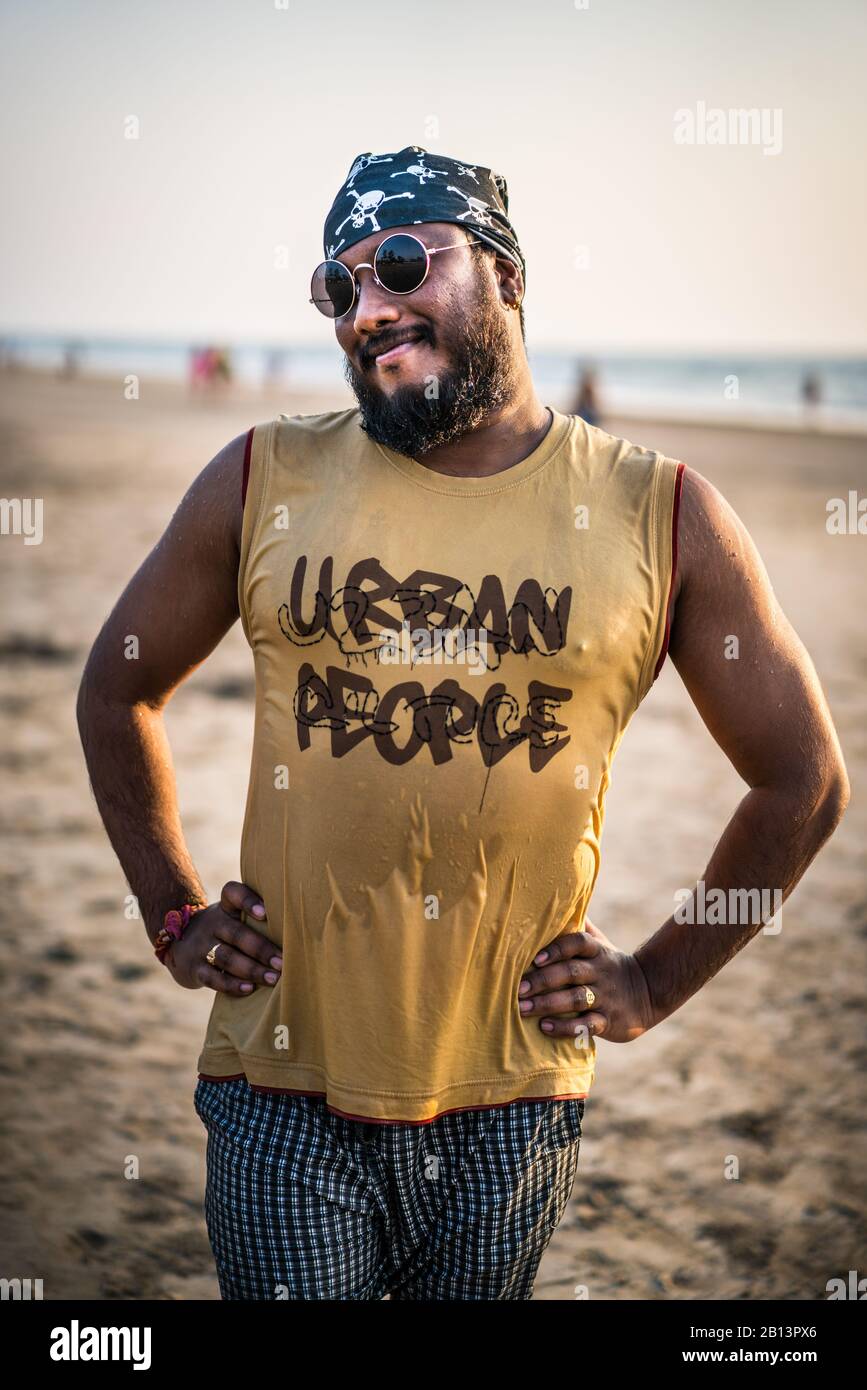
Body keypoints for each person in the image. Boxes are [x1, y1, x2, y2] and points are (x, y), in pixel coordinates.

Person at [77, 144, 849, 1301]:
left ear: (507, 274)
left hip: (514, 1108)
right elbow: (116, 688)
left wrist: (652, 981)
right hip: (281, 1086)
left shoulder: (662, 510)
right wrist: (172, 909)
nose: (369, 312)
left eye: (399, 264)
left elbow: (803, 779)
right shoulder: (263, 476)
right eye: (339, 290)